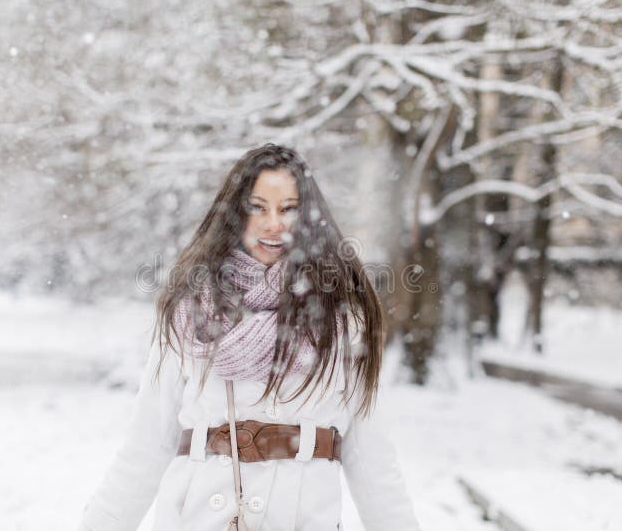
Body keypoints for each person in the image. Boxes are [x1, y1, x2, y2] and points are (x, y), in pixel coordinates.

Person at [77, 143, 421, 530]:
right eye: (257, 207)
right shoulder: (189, 313)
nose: (273, 223)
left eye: (288, 209)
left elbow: (372, 461)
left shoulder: (343, 319)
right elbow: (146, 447)